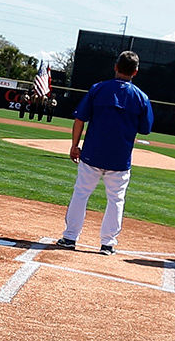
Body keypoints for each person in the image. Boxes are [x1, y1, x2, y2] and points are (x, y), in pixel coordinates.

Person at [54, 51, 153, 254]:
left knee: (81, 194)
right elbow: (145, 128)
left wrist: (74, 145)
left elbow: (80, 119)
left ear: (116, 67)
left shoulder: (98, 89)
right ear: (135, 72)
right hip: (120, 159)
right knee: (116, 200)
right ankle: (107, 244)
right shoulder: (141, 97)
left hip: (92, 154)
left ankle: (70, 237)